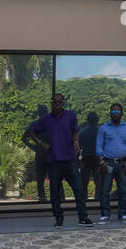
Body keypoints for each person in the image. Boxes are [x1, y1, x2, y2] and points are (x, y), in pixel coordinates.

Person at [23, 93, 92, 228]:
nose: (57, 104)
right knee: (54, 192)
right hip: (54, 160)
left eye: (60, 102)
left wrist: (76, 141)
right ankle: (58, 218)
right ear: (51, 103)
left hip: (70, 159)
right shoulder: (46, 119)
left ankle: (83, 217)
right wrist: (41, 144)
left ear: (63, 103)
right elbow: (31, 132)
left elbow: (75, 131)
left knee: (79, 189)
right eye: (55, 102)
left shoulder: (71, 115)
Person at [96, 103, 126, 224]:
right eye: (113, 111)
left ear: (122, 113)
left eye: (118, 112)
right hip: (108, 163)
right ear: (110, 113)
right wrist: (101, 162)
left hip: (123, 163)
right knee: (105, 189)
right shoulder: (103, 128)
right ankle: (105, 215)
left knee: (123, 189)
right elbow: (99, 145)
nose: (115, 114)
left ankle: (122, 214)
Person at [24, 103, 51, 202]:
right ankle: (58, 196)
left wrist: (33, 147)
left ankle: (42, 197)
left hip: (40, 153)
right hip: (51, 153)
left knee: (40, 177)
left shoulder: (34, 124)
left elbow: (24, 138)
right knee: (54, 176)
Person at [79, 111, 100, 201]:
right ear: (97, 120)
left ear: (87, 120)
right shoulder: (100, 132)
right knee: (99, 181)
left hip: (86, 158)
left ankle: (83, 200)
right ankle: (98, 199)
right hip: (97, 159)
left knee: (84, 182)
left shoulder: (82, 132)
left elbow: (78, 147)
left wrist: (78, 161)